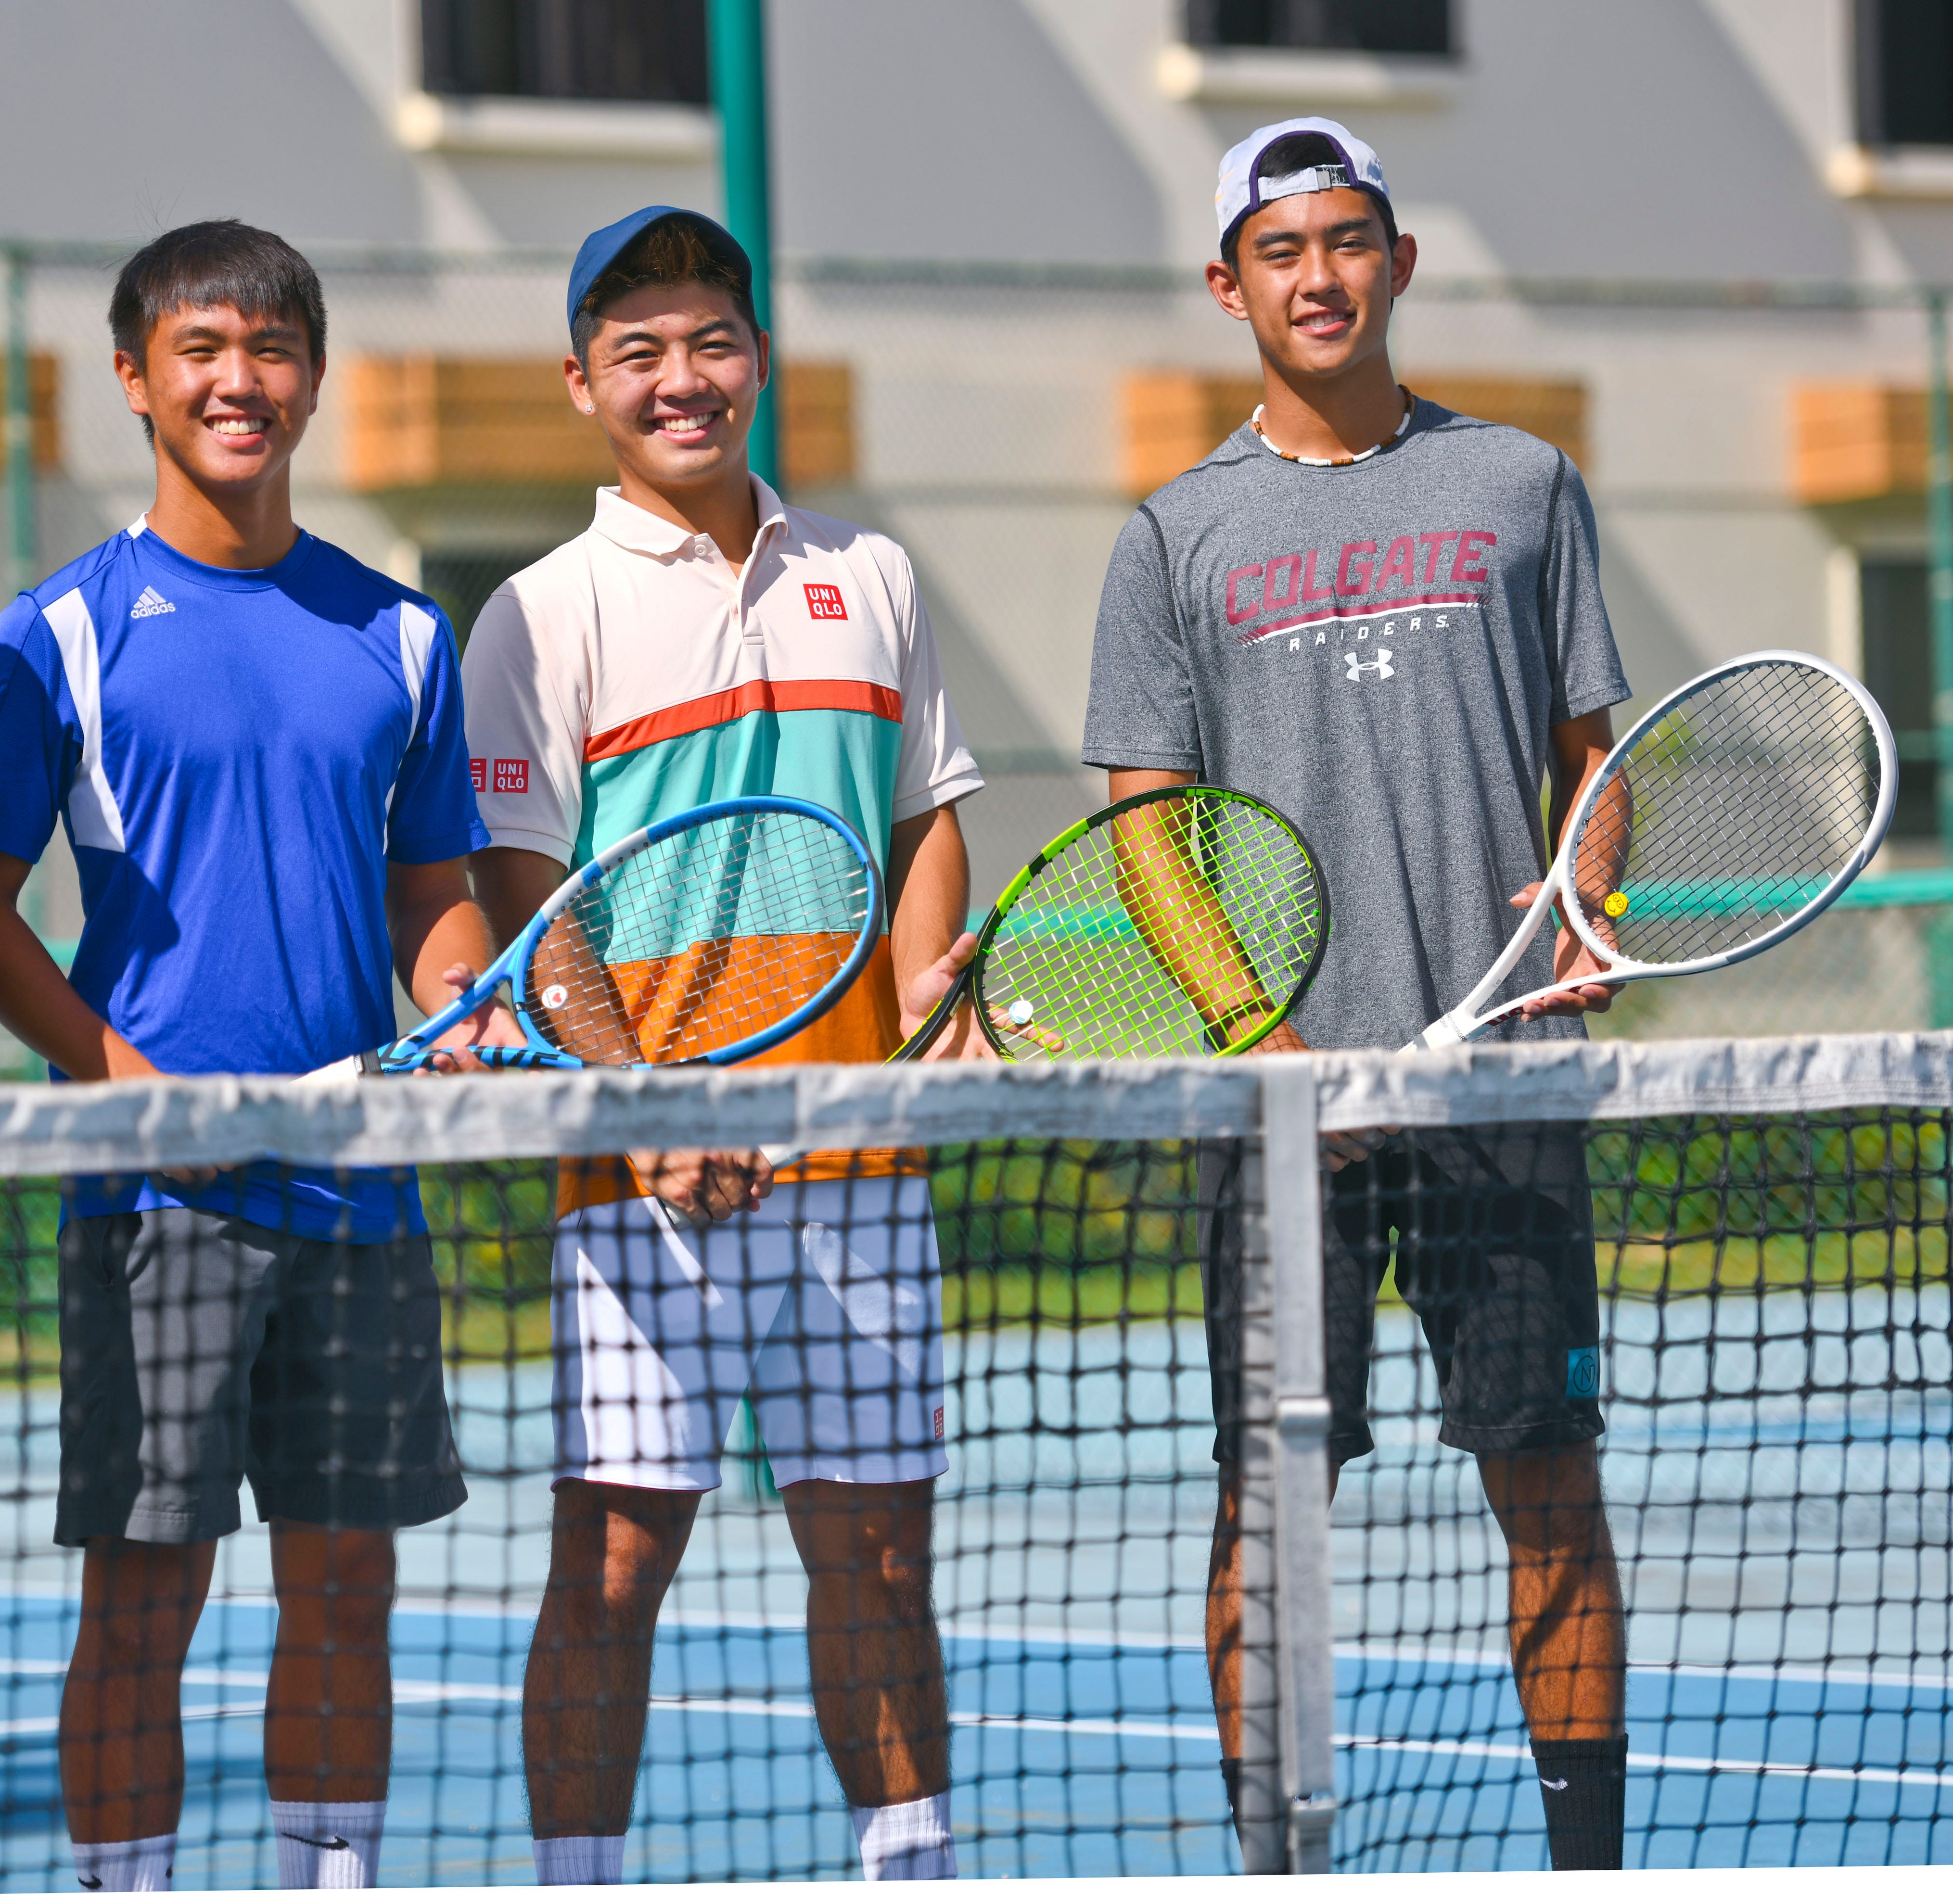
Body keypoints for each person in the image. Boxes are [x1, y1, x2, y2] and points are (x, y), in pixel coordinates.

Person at [1078, 119, 1633, 1869]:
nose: (1318, 278)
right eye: (1281, 250)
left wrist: (1592, 906)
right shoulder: (1173, 535)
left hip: (1499, 1094)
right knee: (1270, 1506)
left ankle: (1590, 1866)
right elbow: (1146, 829)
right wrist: (1270, 1046)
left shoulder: (1526, 485)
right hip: (1282, 1111)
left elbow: (1594, 757)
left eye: (1348, 242)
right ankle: (1272, 1864)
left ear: (1397, 262)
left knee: (1547, 1482)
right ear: (1229, 285)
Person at [0, 219, 511, 1893]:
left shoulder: (403, 634)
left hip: (361, 1197)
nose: (239, 380)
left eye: (271, 349)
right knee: (145, 1595)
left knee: (348, 1590)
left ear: (314, 381)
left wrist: (466, 1004)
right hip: (153, 1203)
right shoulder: (51, 637)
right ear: (134, 381)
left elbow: (440, 902)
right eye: (201, 349)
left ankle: (324, 1877)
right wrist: (126, 1084)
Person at [461, 207, 987, 1886]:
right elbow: (537, 913)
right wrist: (648, 1108)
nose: (681, 381)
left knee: (878, 1554)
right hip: (640, 1180)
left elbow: (923, 829)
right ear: (582, 387)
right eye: (640, 354)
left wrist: (927, 1022)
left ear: (756, 359)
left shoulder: (875, 573)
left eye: (711, 343)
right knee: (615, 1562)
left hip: (856, 1154)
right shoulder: (536, 618)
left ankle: (910, 1867)